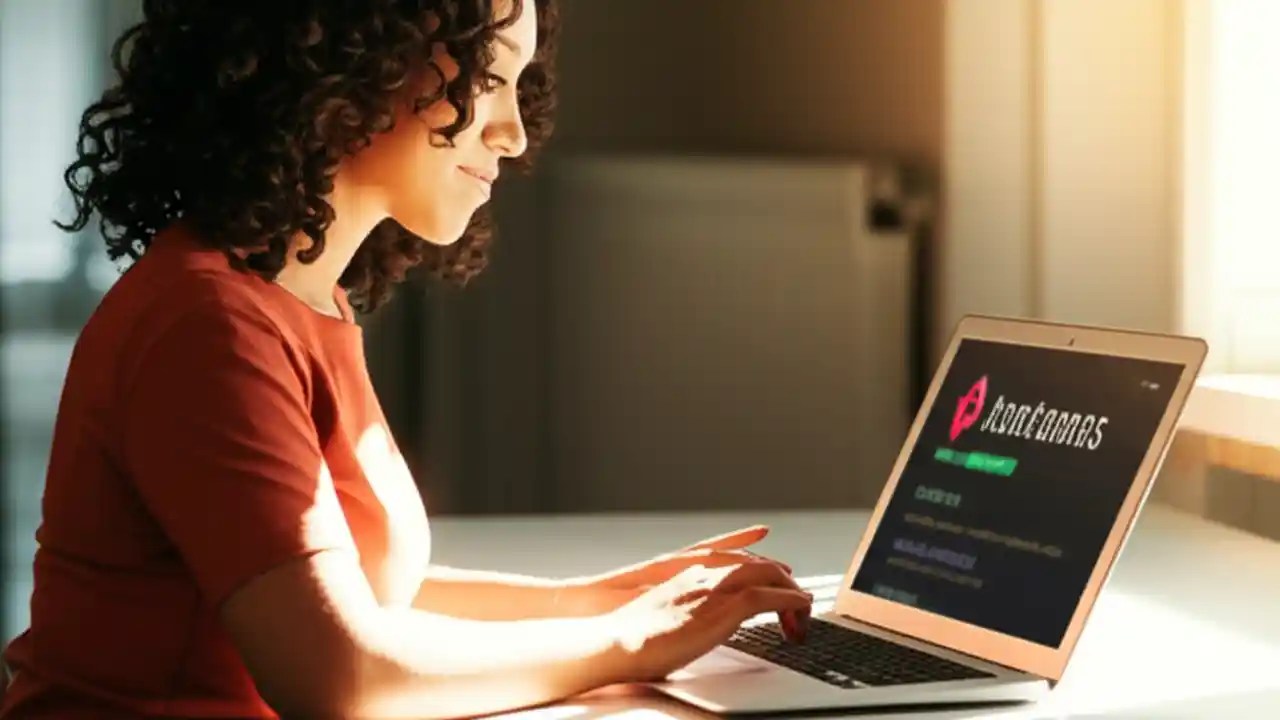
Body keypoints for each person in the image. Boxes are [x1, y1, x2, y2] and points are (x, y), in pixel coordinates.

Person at [0, 1, 813, 717]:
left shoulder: (301, 302)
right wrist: (628, 640)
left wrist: (600, 599)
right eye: (490, 79)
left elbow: (344, 590)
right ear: (358, 63)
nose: (514, 132)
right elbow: (341, 678)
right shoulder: (207, 325)